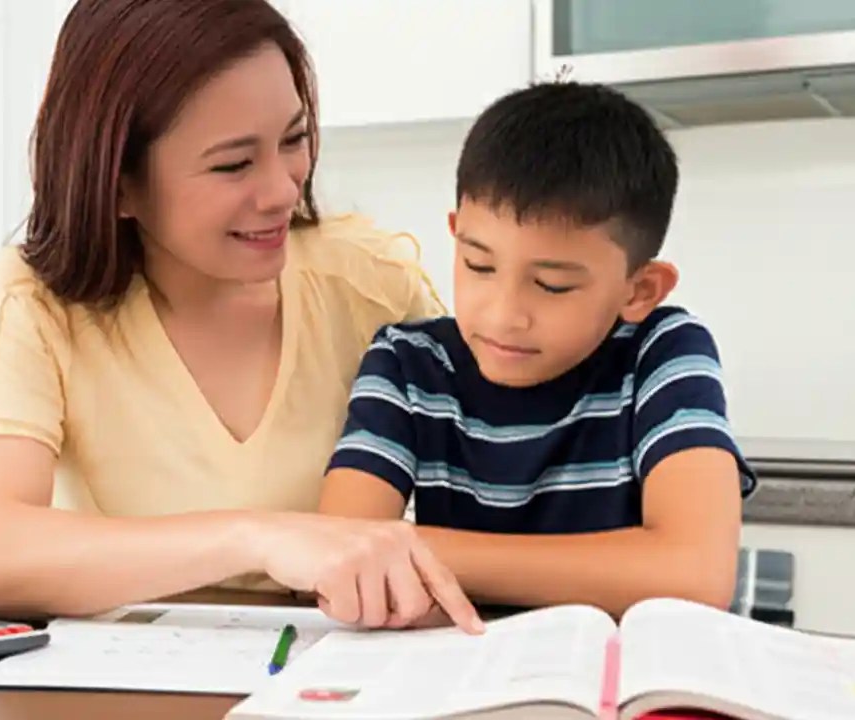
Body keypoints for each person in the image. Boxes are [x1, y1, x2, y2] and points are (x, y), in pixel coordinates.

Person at [0, 0, 482, 634]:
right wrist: (260, 538)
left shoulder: (367, 281)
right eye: (233, 164)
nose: (283, 189)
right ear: (118, 184)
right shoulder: (33, 302)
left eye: (294, 139)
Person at [318, 81, 759, 619]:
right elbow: (340, 557)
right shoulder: (408, 364)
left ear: (639, 290)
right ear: (456, 236)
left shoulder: (661, 353)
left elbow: (696, 573)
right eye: (479, 266)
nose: (504, 314)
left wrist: (415, 550)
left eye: (551, 285)